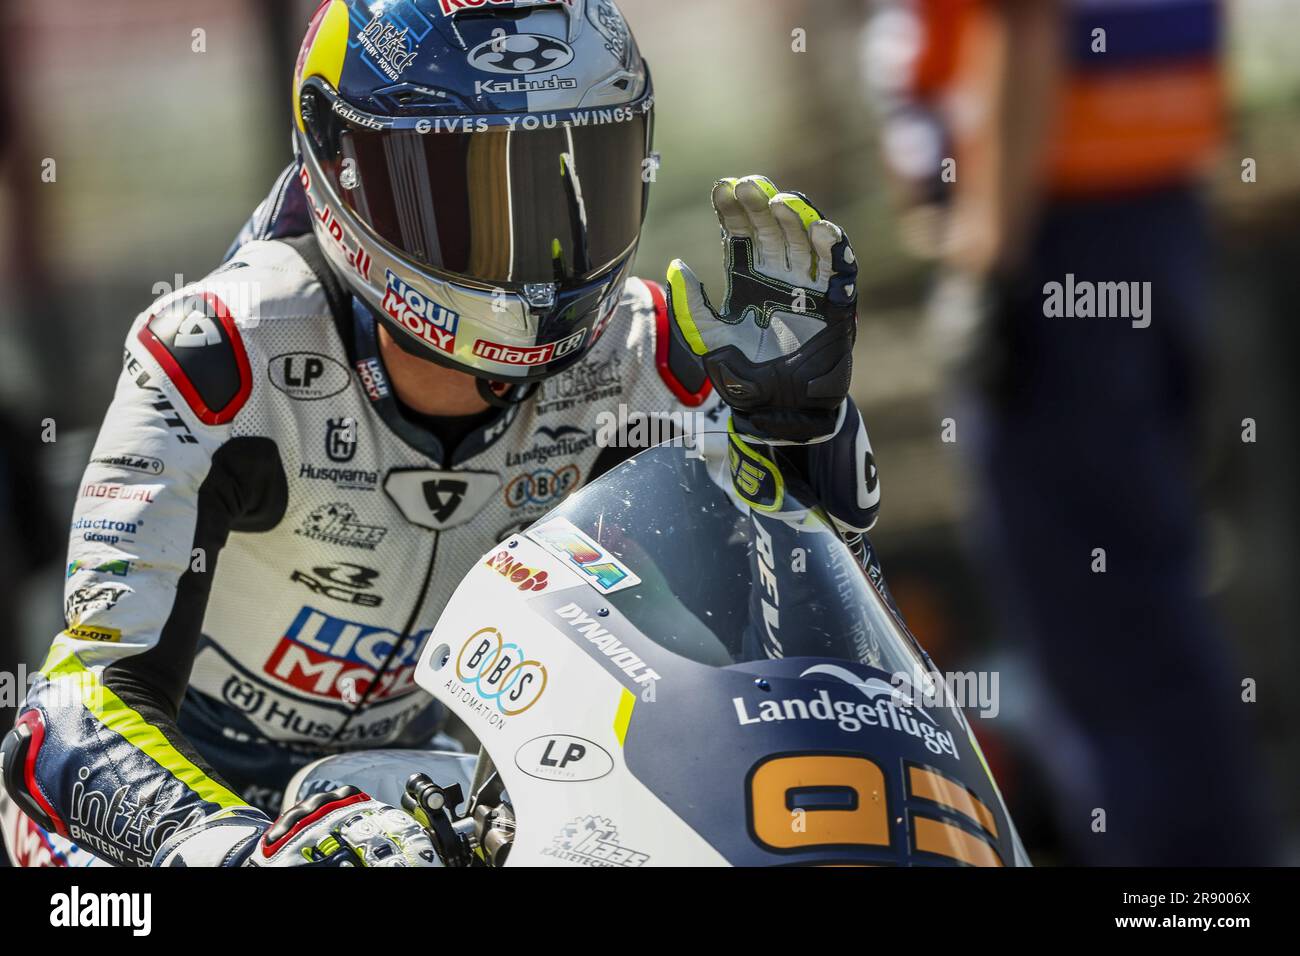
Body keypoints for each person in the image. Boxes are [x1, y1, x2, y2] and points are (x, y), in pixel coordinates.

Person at [0, 0, 880, 867]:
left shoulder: (651, 358)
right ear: (340, 160)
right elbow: (64, 720)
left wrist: (802, 436)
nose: (534, 256)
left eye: (568, 184)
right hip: (159, 823)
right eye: (463, 195)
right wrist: (240, 852)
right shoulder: (219, 354)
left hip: (418, 809)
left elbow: (817, 663)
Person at [864, 0, 1273, 863]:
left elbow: (1023, 23)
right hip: (1148, 210)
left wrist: (987, 260)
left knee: (1091, 604)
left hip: (1055, 232)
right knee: (1142, 579)